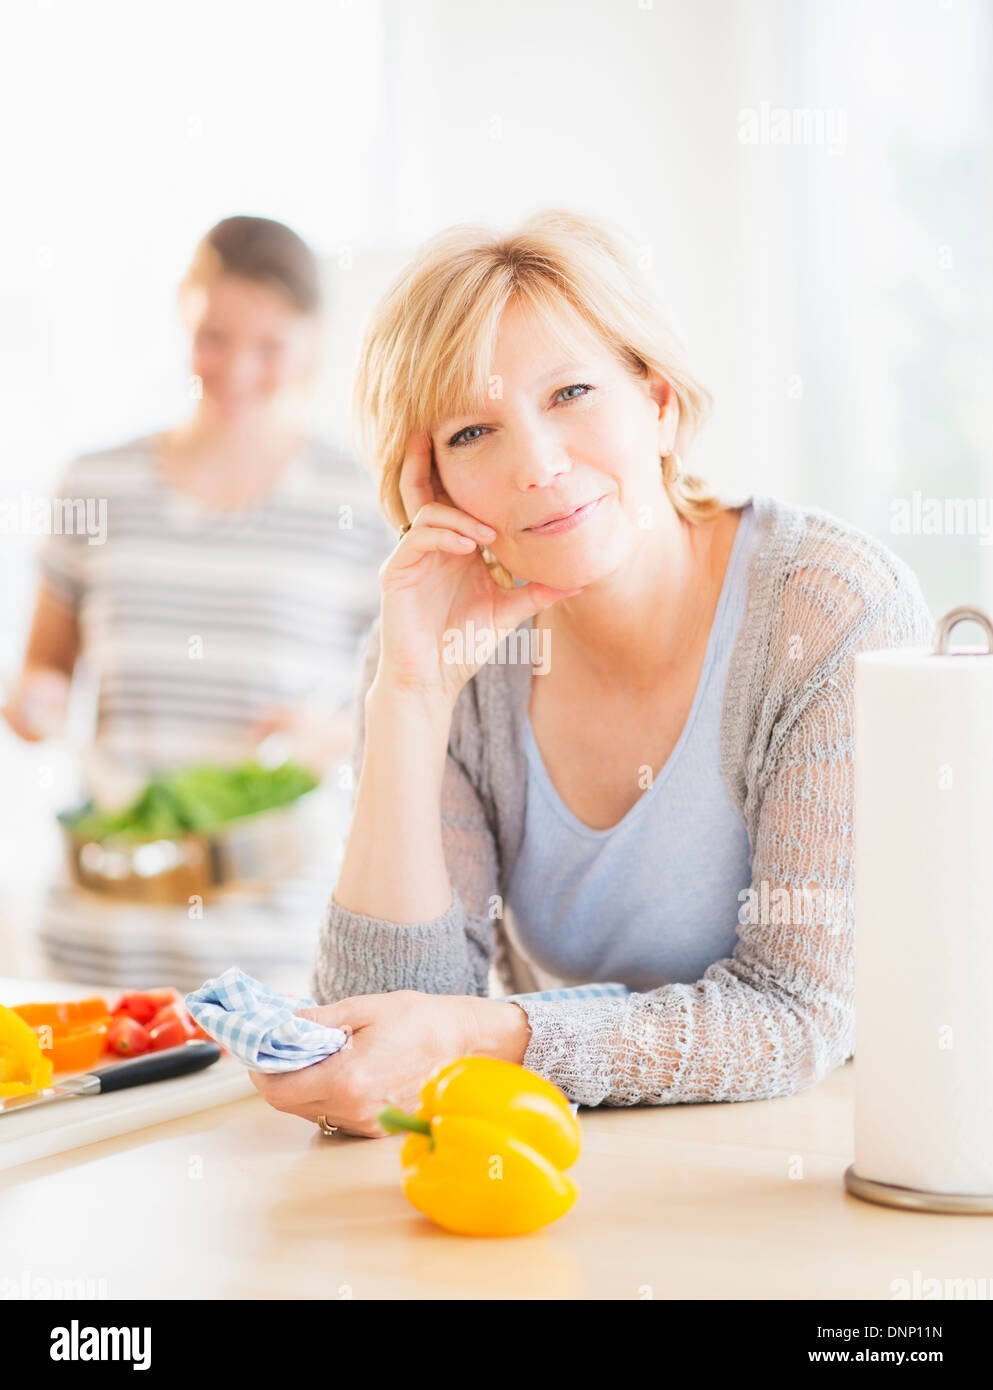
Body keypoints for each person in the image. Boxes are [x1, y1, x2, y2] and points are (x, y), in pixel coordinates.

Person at [248, 207, 934, 1136]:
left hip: (815, 1167)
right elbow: (384, 1037)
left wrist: (491, 1038)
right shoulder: (440, 653)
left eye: (570, 394)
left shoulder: (827, 608)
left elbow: (792, 1014)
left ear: (655, 401)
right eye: (469, 433)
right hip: (566, 1172)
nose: (535, 463)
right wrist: (410, 697)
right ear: (432, 485)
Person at [2, 215, 395, 993]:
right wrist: (36, 701)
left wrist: (334, 736)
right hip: (98, 934)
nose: (238, 369)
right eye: (214, 338)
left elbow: (412, 706)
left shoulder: (359, 500)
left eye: (269, 347)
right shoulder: (98, 484)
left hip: (275, 942)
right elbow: (45, 668)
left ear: (312, 341)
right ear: (184, 322)